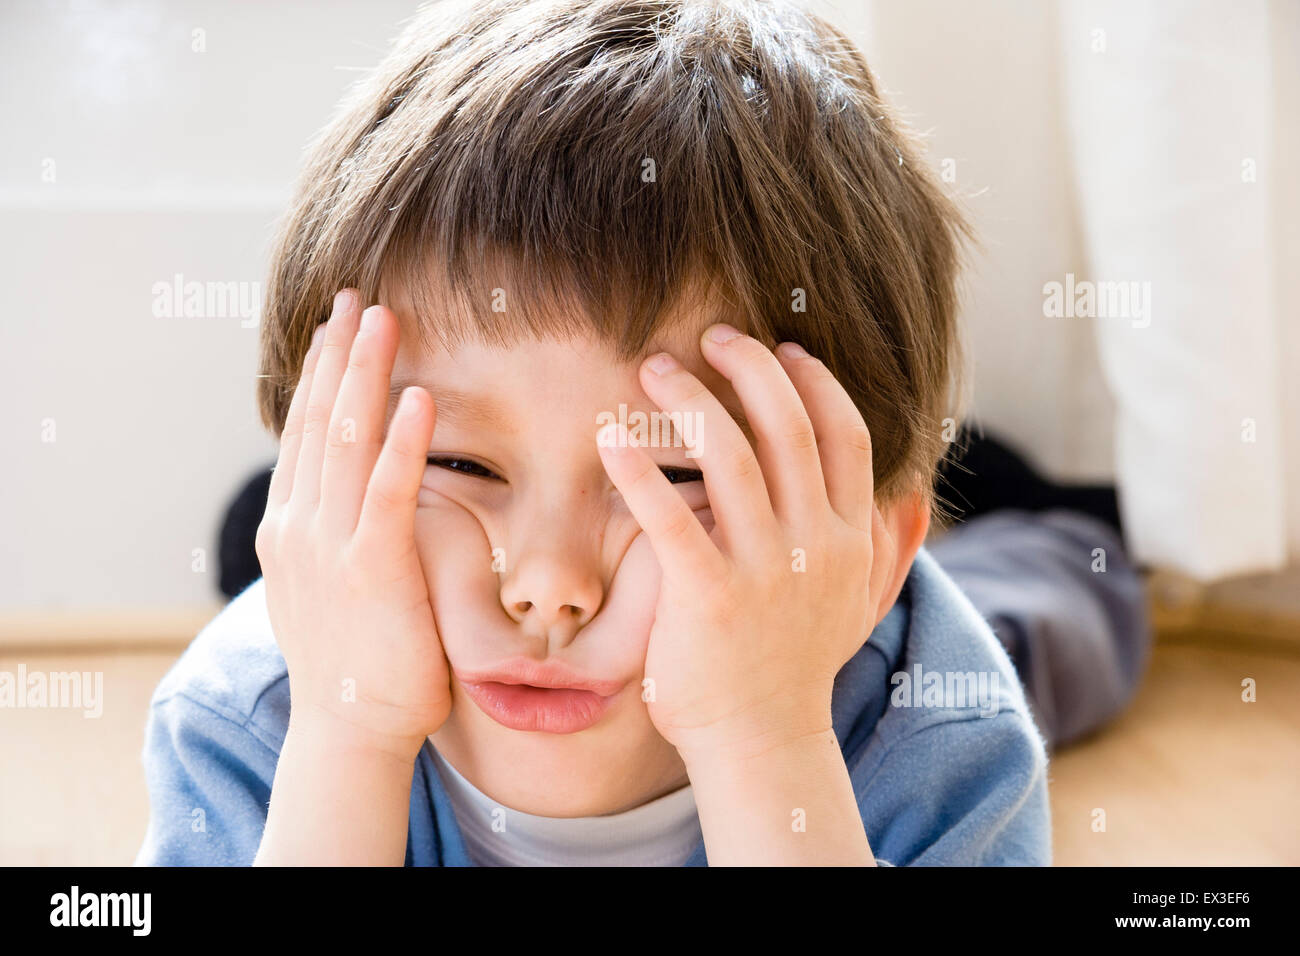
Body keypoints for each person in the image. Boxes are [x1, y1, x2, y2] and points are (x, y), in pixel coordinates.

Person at [138, 0, 1053, 866]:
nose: (546, 589)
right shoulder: (242, 721)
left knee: (1051, 619)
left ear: (877, 561)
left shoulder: (941, 735)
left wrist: (767, 736)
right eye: (458, 460)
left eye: (674, 471)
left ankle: (1029, 517)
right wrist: (349, 733)